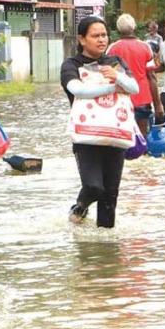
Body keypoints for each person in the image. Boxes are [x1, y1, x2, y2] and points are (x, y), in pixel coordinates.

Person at [61, 16, 139, 228]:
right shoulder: (71, 65)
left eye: (104, 35)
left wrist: (117, 76)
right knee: (94, 187)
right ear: (82, 39)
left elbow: (134, 88)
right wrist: (112, 87)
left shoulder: (115, 62)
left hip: (116, 136)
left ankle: (105, 251)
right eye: (95, 35)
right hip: (87, 138)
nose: (101, 39)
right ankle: (80, 206)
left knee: (109, 197)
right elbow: (78, 90)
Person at [107, 14, 164, 137]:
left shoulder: (112, 49)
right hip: (142, 100)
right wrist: (158, 105)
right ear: (134, 27)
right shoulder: (146, 47)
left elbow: (106, 78)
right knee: (142, 140)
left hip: (120, 101)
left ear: (118, 29)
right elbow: (152, 77)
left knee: (122, 141)